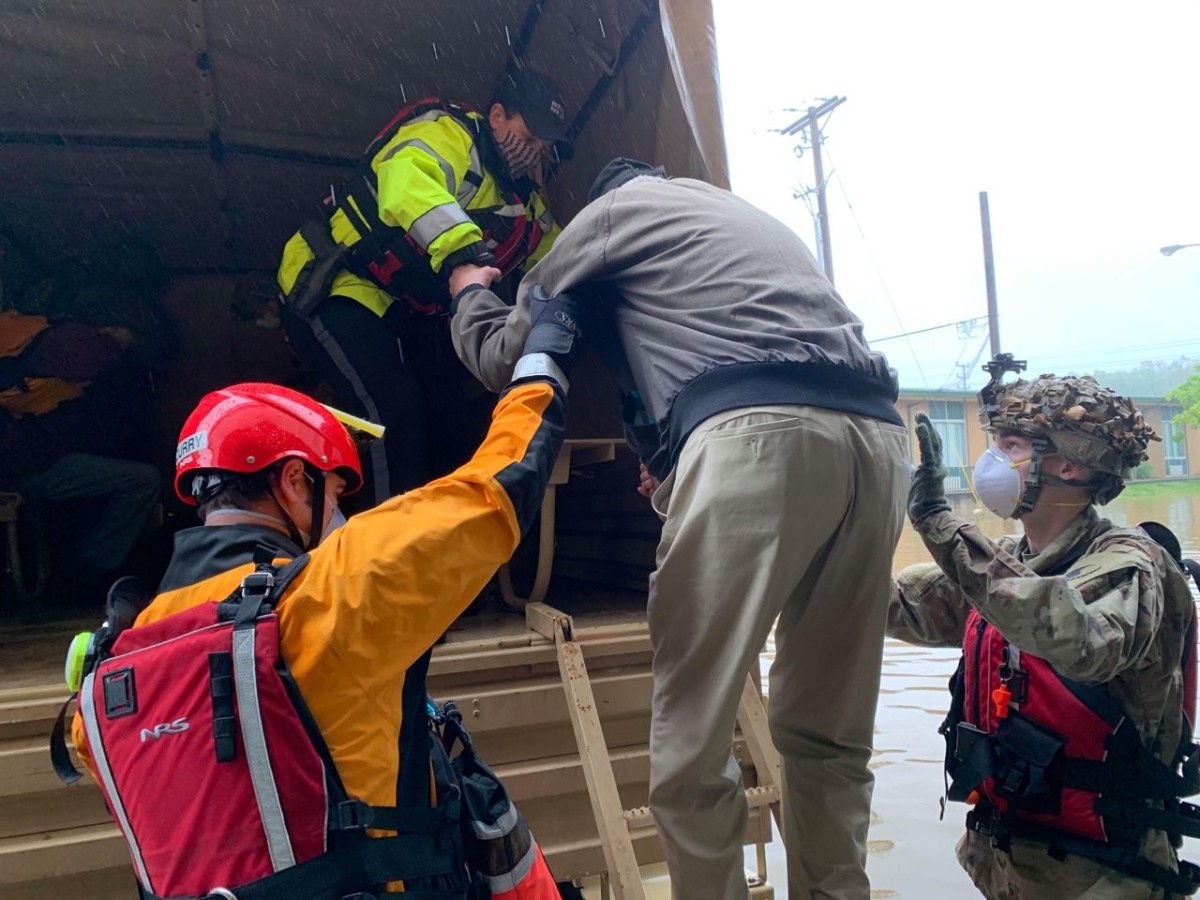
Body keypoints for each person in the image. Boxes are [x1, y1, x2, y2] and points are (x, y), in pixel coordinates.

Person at [449, 157, 911, 899]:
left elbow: (505, 356)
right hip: (882, 446)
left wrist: (469, 294)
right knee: (828, 738)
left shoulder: (606, 220)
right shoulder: (742, 220)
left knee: (692, 751)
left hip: (760, 438)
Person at [63, 298, 590, 900]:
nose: (340, 514)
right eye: (334, 492)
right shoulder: (332, 589)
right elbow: (496, 486)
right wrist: (542, 360)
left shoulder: (109, 676)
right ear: (292, 481)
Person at [889, 363, 1200, 899]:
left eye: (1012, 446)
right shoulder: (1005, 561)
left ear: (1073, 466)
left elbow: (1082, 641)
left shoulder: (1131, 565)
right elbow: (901, 608)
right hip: (1007, 859)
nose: (991, 461)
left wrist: (943, 527)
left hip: (1103, 874)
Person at [276, 68, 572, 507]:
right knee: (390, 412)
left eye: (542, 149)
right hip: (335, 282)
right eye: (527, 139)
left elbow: (560, 255)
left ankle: (445, 542)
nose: (532, 154)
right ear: (496, 116)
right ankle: (381, 555)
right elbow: (407, 178)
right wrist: (461, 253)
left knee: (452, 419)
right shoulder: (448, 134)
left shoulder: (525, 205)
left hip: (403, 309)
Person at [0, 309, 161, 592]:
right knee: (142, 479)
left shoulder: (21, 328)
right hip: (29, 464)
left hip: (29, 458)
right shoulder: (74, 340)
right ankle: (88, 569)